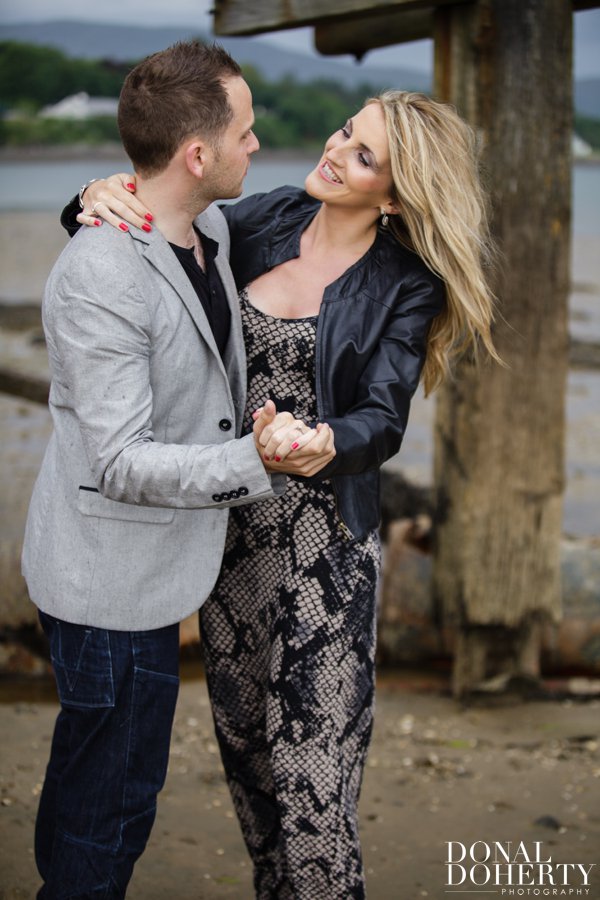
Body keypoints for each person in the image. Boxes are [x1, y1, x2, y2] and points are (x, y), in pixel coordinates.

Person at [66, 88, 498, 899]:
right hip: (228, 540)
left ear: (397, 195)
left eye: (363, 156)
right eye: (345, 131)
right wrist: (93, 195)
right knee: (257, 782)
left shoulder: (406, 283)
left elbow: (383, 415)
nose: (335, 151)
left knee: (313, 791)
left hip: (327, 548)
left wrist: (328, 443)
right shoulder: (263, 219)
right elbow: (156, 233)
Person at [23, 41, 335, 900]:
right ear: (198, 153)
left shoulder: (214, 231)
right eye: (245, 131)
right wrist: (255, 458)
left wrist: (85, 193)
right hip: (108, 584)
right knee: (113, 808)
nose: (258, 145)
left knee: (90, 779)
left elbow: (324, 210)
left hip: (147, 575)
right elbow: (120, 460)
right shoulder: (101, 272)